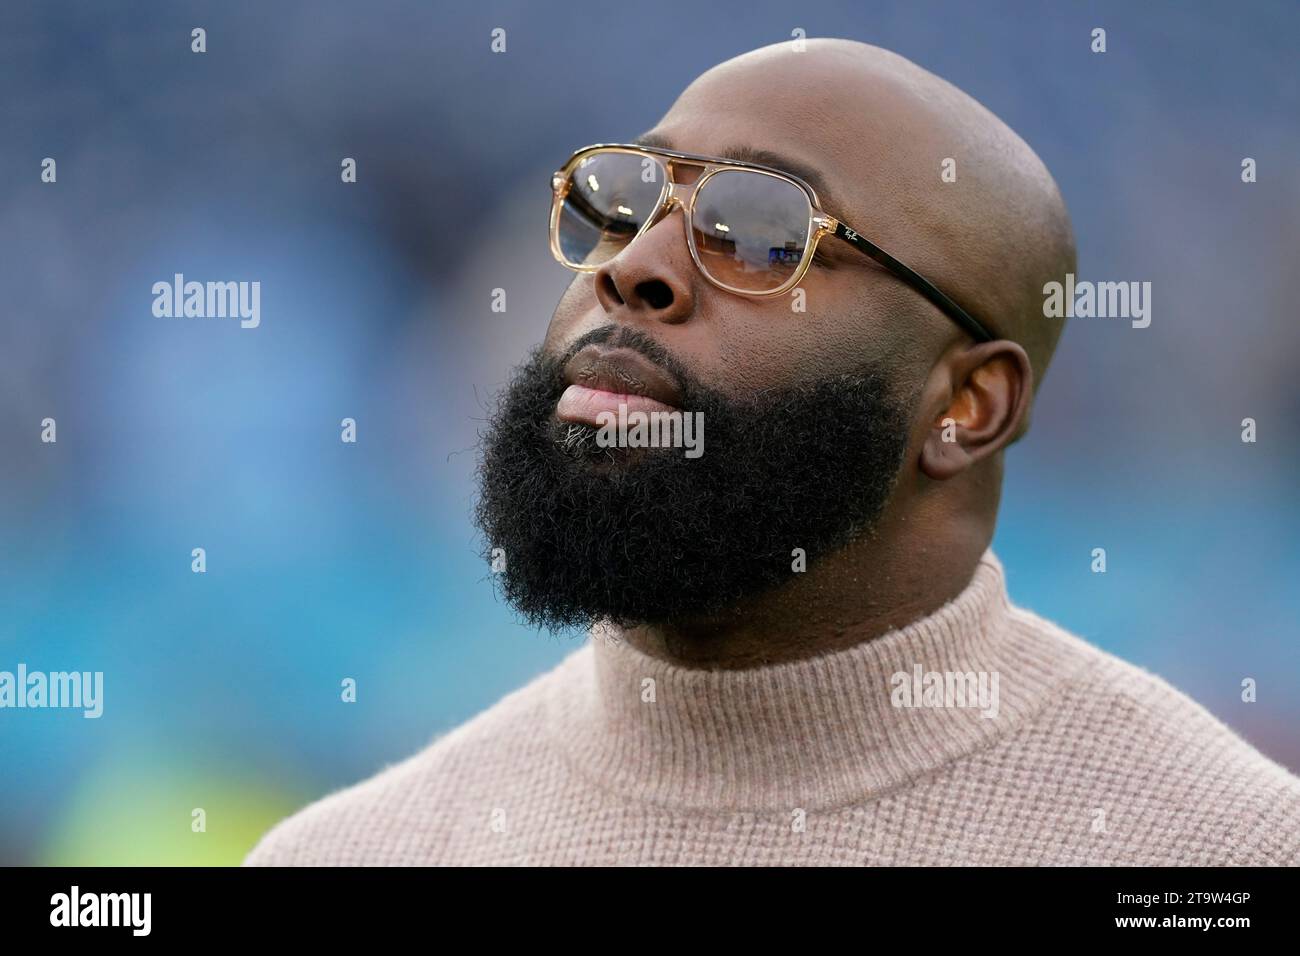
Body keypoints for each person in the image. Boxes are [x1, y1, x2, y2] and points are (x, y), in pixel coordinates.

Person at [246, 38, 1300, 866]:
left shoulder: (1217, 851)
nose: (635, 267)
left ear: (967, 405)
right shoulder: (352, 853)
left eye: (759, 234)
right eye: (621, 202)